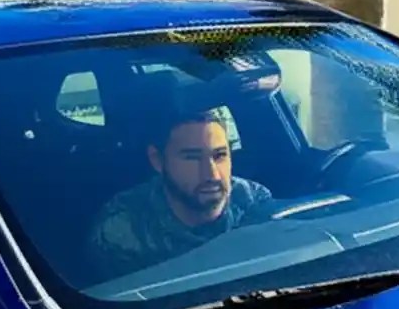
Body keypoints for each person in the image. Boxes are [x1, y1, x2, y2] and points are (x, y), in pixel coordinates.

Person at [88, 109, 273, 277]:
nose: (212, 174)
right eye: (192, 158)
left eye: (219, 156)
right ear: (157, 160)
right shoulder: (124, 229)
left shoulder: (254, 203)